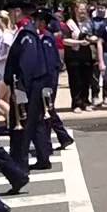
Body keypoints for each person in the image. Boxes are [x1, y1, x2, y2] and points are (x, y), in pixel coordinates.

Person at [3, 1, 51, 169]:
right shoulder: (25, 31)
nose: (9, 16)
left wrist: (20, 90)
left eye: (10, 13)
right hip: (31, 86)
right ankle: (43, 158)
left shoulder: (26, 34)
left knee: (22, 127)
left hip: (27, 87)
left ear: (17, 11)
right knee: (35, 123)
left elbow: (27, 64)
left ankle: (19, 165)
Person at [36, 10, 73, 150]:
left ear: (44, 23)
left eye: (39, 21)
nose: (36, 23)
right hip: (46, 78)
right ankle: (62, 137)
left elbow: (51, 63)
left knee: (46, 109)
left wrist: (46, 83)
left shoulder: (46, 38)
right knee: (46, 109)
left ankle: (52, 140)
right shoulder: (43, 37)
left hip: (48, 79)